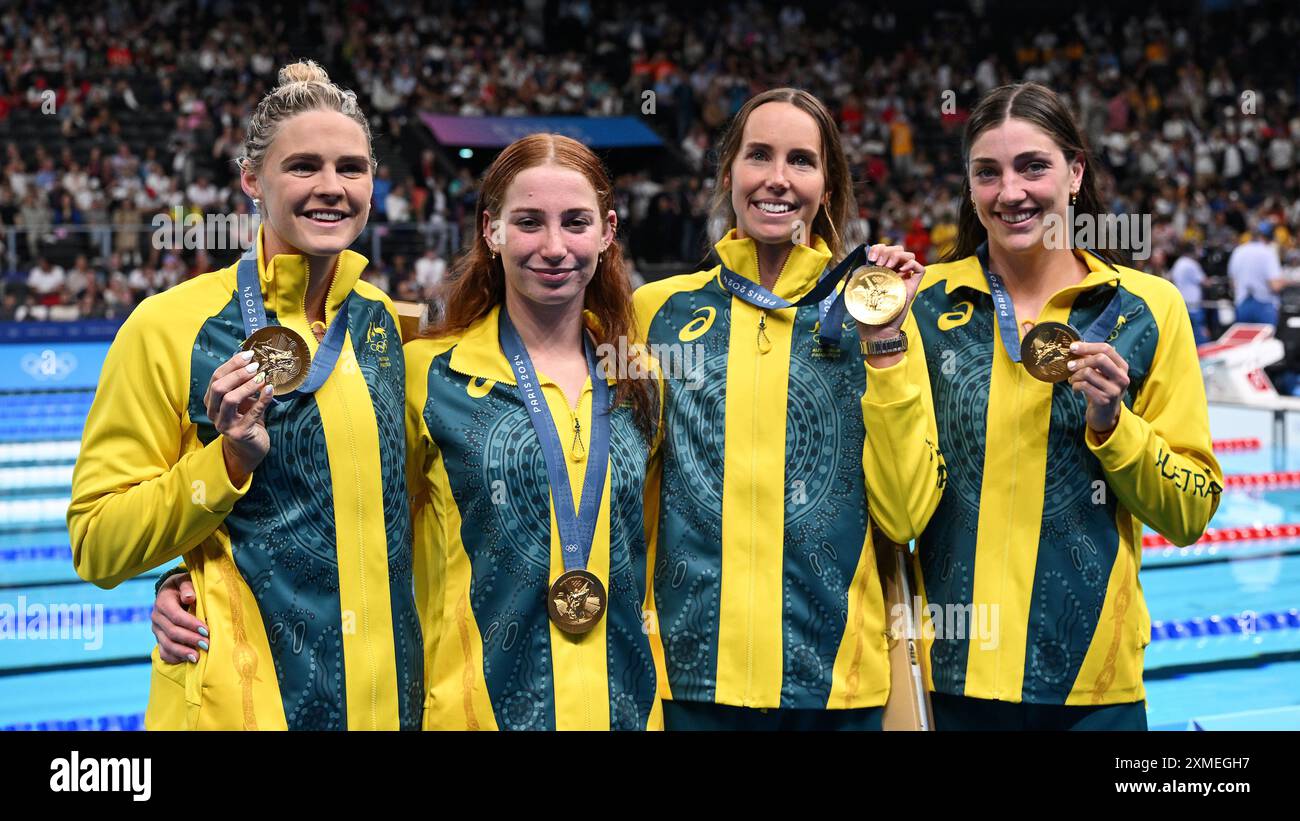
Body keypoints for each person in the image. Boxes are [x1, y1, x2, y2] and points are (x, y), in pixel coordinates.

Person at [156, 133, 668, 731]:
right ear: (490, 232)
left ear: (607, 232)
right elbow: (344, 510)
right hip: (467, 713)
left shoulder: (642, 379)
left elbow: (661, 546)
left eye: (575, 222)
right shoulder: (429, 371)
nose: (554, 247)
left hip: (626, 713)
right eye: (527, 222)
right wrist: (190, 580)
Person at [68, 60, 423, 730]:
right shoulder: (168, 326)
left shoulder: (393, 327)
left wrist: (181, 578)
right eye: (303, 167)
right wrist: (224, 465)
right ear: (252, 180)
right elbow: (97, 541)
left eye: (351, 168)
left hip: (387, 710)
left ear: (374, 184)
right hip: (238, 711)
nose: (331, 187)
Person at [879, 82, 1222, 730]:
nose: (1011, 192)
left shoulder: (1146, 310)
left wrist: (1114, 426)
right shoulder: (923, 303)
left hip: (1094, 690)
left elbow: (1192, 509)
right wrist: (886, 339)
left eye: (1032, 166)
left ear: (1076, 172)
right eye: (988, 172)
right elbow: (897, 506)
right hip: (953, 680)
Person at [634, 88, 933, 729]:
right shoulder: (657, 312)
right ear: (728, 174)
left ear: (827, 187)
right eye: (758, 156)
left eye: (801, 160)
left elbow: (905, 512)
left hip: (834, 690)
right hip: (689, 682)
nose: (777, 179)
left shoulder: (872, 315)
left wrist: (884, 344)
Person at [1226, 221, 1284, 327]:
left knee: (1244, 342)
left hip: (1242, 304)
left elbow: (1233, 283)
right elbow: (1275, 286)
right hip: (1264, 305)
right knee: (1265, 342)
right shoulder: (1268, 252)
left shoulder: (1238, 251)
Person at [1169, 240, 1209, 345]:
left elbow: (1171, 279)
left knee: (1186, 335)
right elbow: (1205, 282)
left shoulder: (1178, 263)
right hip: (1194, 306)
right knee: (1199, 335)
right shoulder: (1192, 264)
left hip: (1183, 304)